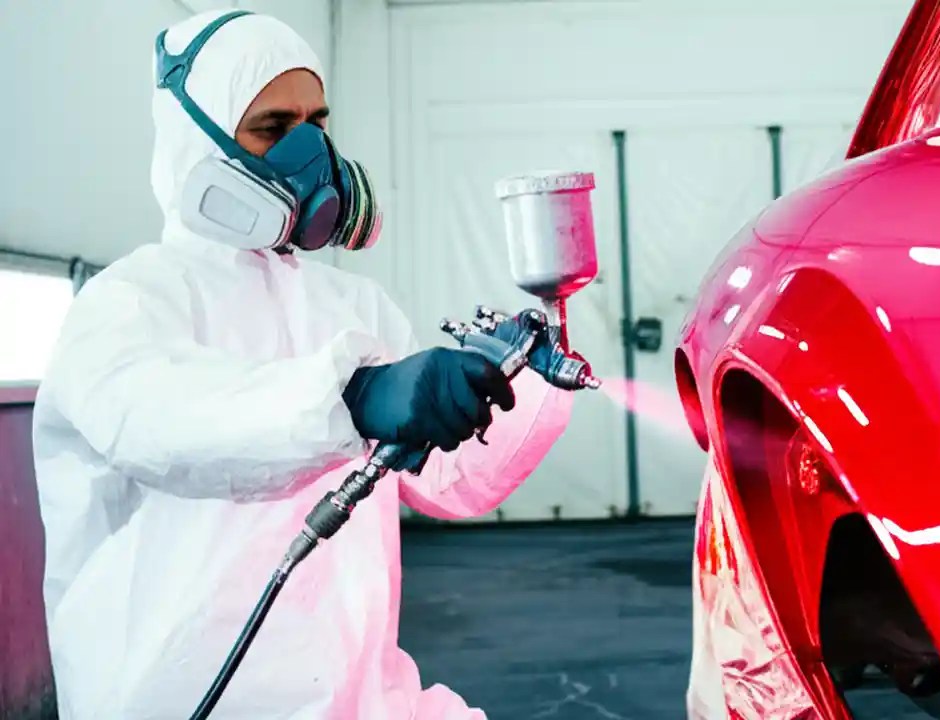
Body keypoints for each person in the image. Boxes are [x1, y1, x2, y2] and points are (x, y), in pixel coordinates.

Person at [31, 9, 571, 719]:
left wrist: (521, 373)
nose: (310, 151)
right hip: (179, 700)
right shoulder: (127, 303)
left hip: (358, 698)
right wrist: (354, 398)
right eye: (274, 129)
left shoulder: (354, 307)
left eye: (317, 122)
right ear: (202, 147)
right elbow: (163, 422)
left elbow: (447, 480)